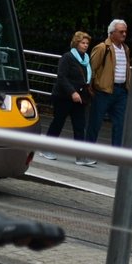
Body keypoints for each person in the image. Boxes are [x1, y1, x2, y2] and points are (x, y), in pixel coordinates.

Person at [41, 31, 97, 165]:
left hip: (80, 98)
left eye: (87, 43)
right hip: (64, 97)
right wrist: (72, 92)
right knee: (58, 122)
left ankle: (80, 156)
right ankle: (46, 149)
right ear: (76, 43)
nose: (85, 46)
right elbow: (62, 77)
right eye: (83, 43)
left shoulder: (86, 59)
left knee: (80, 126)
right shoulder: (67, 57)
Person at [87, 18, 132, 147]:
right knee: (95, 122)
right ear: (112, 33)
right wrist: (90, 86)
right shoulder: (102, 48)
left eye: (125, 31)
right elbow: (91, 68)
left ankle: (115, 153)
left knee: (120, 123)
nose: (124, 34)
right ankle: (87, 151)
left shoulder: (126, 49)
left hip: (121, 91)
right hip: (103, 91)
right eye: (121, 31)